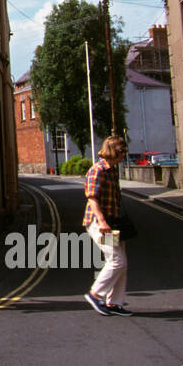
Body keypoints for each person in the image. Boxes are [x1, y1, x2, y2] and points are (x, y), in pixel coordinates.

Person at [83, 135, 132, 316]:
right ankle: (95, 294)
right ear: (112, 150)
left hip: (113, 223)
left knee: (122, 262)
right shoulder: (97, 170)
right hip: (100, 223)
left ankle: (114, 303)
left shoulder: (112, 171)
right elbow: (92, 198)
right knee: (116, 260)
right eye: (121, 150)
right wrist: (102, 221)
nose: (123, 154)